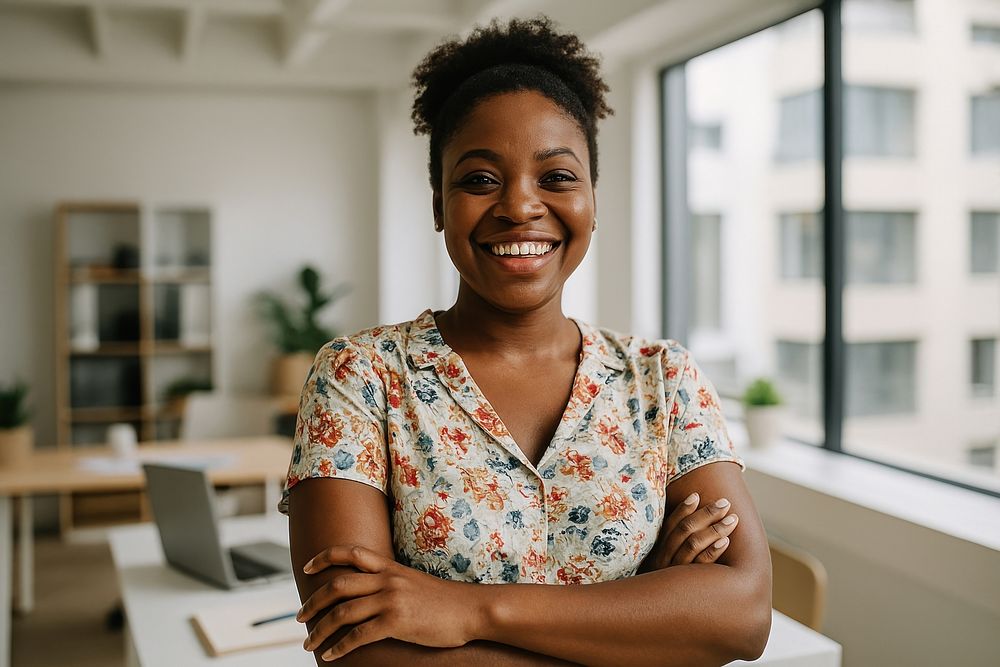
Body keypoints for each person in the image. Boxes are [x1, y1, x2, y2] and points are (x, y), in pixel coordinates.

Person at [282, 16, 772, 666]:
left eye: (557, 177)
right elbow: (361, 652)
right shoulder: (359, 377)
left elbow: (742, 615)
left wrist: (467, 610)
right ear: (438, 204)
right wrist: (643, 612)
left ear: (593, 199)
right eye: (480, 179)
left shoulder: (664, 379)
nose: (519, 205)